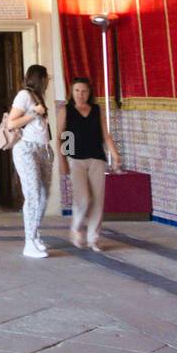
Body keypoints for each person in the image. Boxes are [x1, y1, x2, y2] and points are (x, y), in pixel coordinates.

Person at [57, 77, 122, 251]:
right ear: (72, 91)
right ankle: (76, 228)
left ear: (89, 92)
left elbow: (105, 135)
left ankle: (94, 237)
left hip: (96, 158)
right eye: (77, 90)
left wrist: (115, 155)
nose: (80, 94)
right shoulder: (66, 110)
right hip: (76, 159)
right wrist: (63, 159)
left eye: (84, 91)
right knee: (83, 199)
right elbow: (61, 136)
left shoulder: (96, 110)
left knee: (98, 200)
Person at [7, 64, 53, 259]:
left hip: (43, 149)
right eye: (47, 77)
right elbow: (11, 123)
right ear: (39, 78)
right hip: (26, 149)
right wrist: (34, 113)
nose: (49, 81)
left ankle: (35, 236)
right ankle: (29, 242)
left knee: (44, 195)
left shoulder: (38, 97)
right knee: (33, 194)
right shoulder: (24, 95)